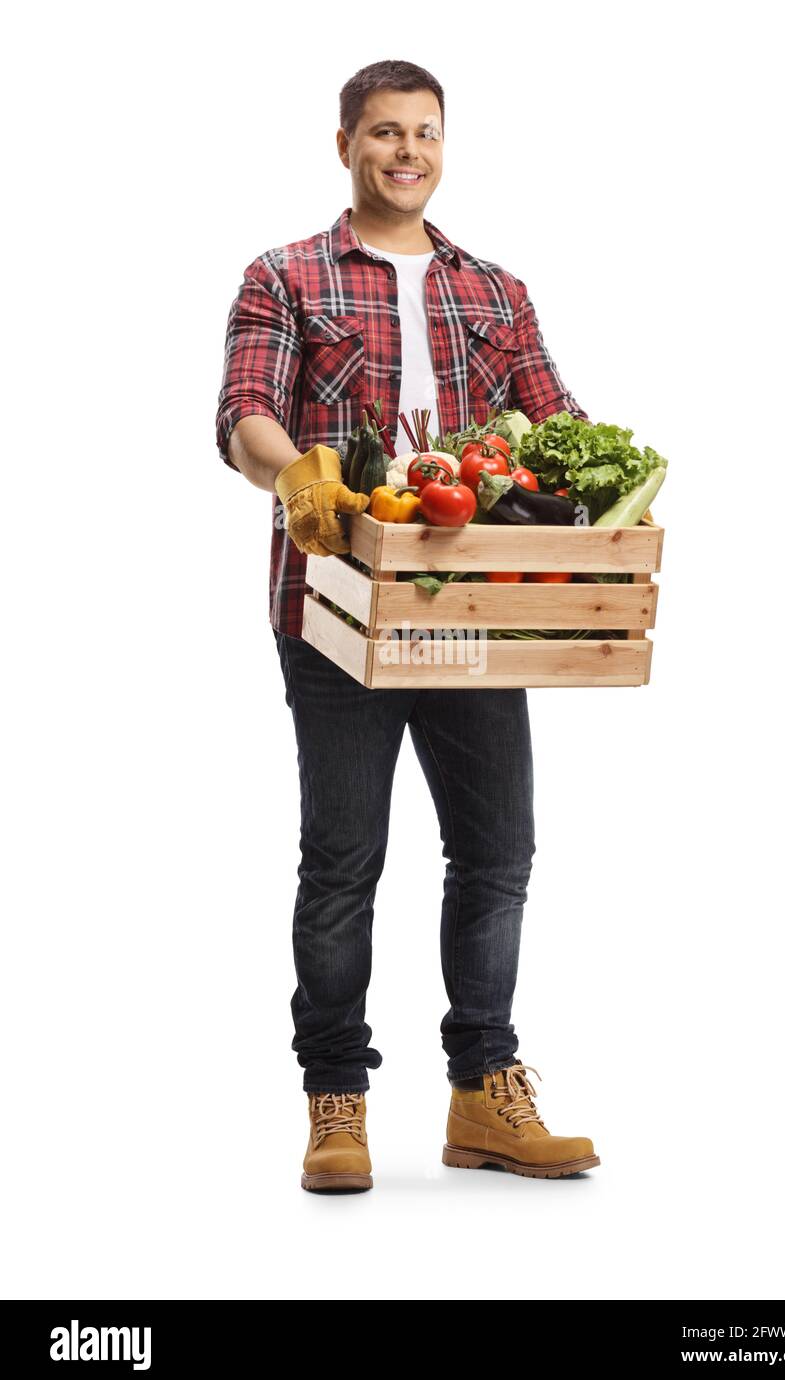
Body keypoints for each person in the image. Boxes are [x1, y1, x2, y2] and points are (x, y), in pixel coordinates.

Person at [215, 59, 601, 1192]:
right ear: (344, 145)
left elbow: (556, 422)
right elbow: (242, 414)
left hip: (472, 609)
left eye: (424, 134)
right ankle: (336, 1100)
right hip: (335, 608)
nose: (406, 154)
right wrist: (296, 480)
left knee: (496, 852)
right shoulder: (284, 275)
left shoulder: (494, 288)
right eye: (384, 133)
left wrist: (600, 490)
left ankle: (483, 1090)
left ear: (443, 146)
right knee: (342, 861)